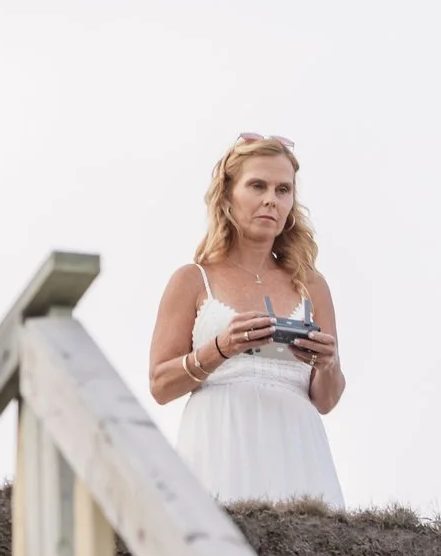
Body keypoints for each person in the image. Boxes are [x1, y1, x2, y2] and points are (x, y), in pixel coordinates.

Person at [148, 133, 346, 506]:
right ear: (227, 195)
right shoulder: (192, 279)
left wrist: (328, 363)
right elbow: (160, 385)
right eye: (257, 185)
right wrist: (221, 348)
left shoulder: (312, 285)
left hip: (298, 448)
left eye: (283, 189)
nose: (272, 199)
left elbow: (327, 399)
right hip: (218, 442)